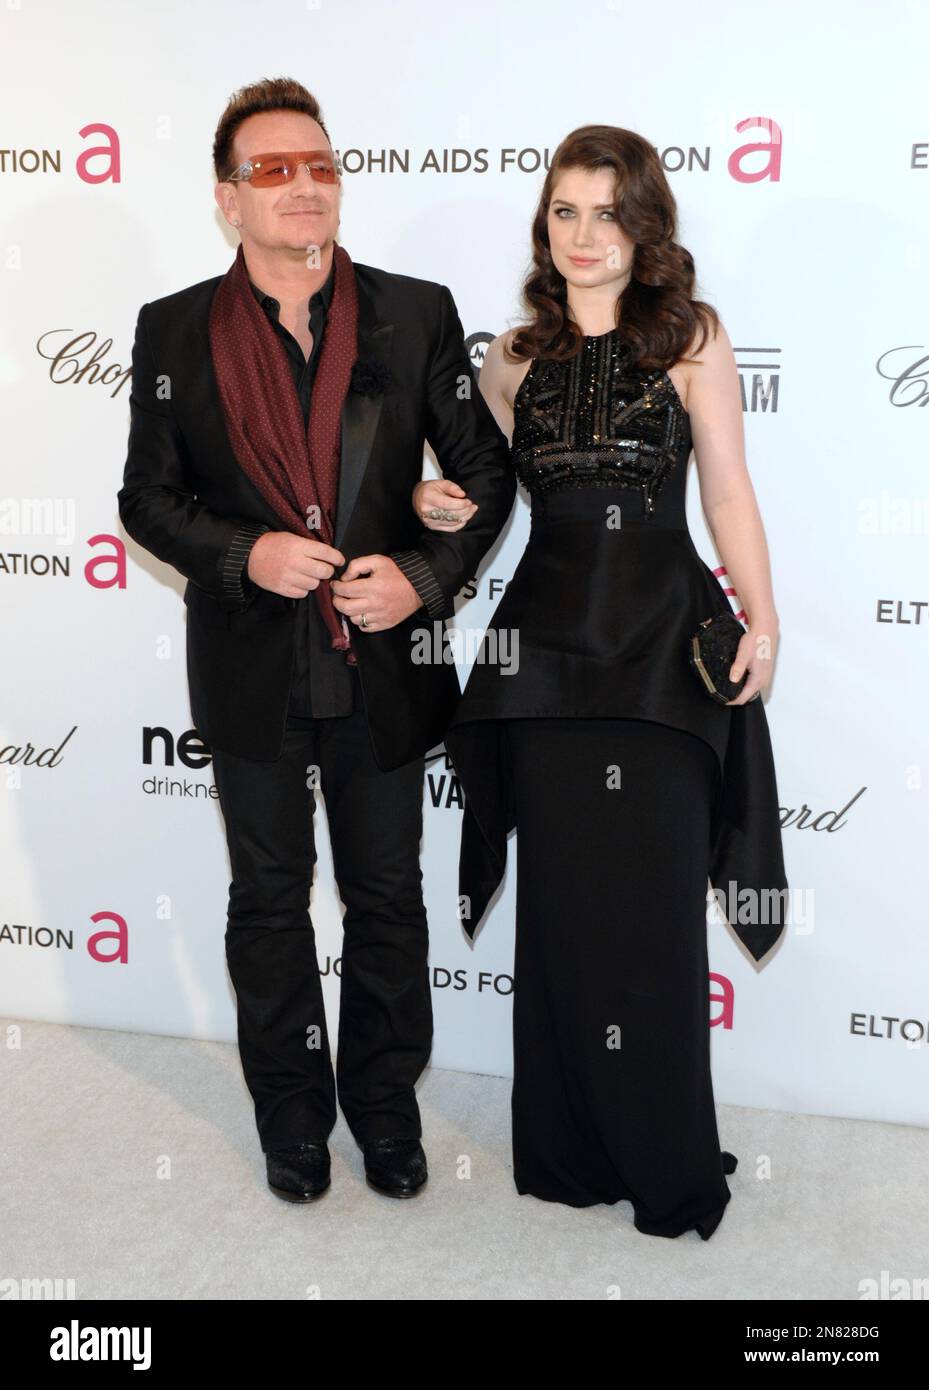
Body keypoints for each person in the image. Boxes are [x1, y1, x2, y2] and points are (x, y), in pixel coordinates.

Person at [117, 77, 514, 1204]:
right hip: (249, 660)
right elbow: (146, 500)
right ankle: (291, 1117)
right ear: (226, 200)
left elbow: (482, 473)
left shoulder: (414, 310)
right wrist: (245, 553)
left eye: (319, 164)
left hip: (379, 660)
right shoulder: (172, 330)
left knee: (388, 894)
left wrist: (426, 572)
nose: (303, 186)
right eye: (271, 170)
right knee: (268, 898)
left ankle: (384, 1111)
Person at [415, 126, 789, 1240]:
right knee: (569, 921)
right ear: (545, 224)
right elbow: (477, 499)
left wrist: (759, 611)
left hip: (664, 646)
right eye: (564, 212)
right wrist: (433, 505)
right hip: (546, 657)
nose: (583, 235)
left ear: (644, 225)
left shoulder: (691, 340)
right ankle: (570, 1151)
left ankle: (665, 1156)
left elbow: (724, 487)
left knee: (654, 918)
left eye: (606, 212)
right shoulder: (509, 358)